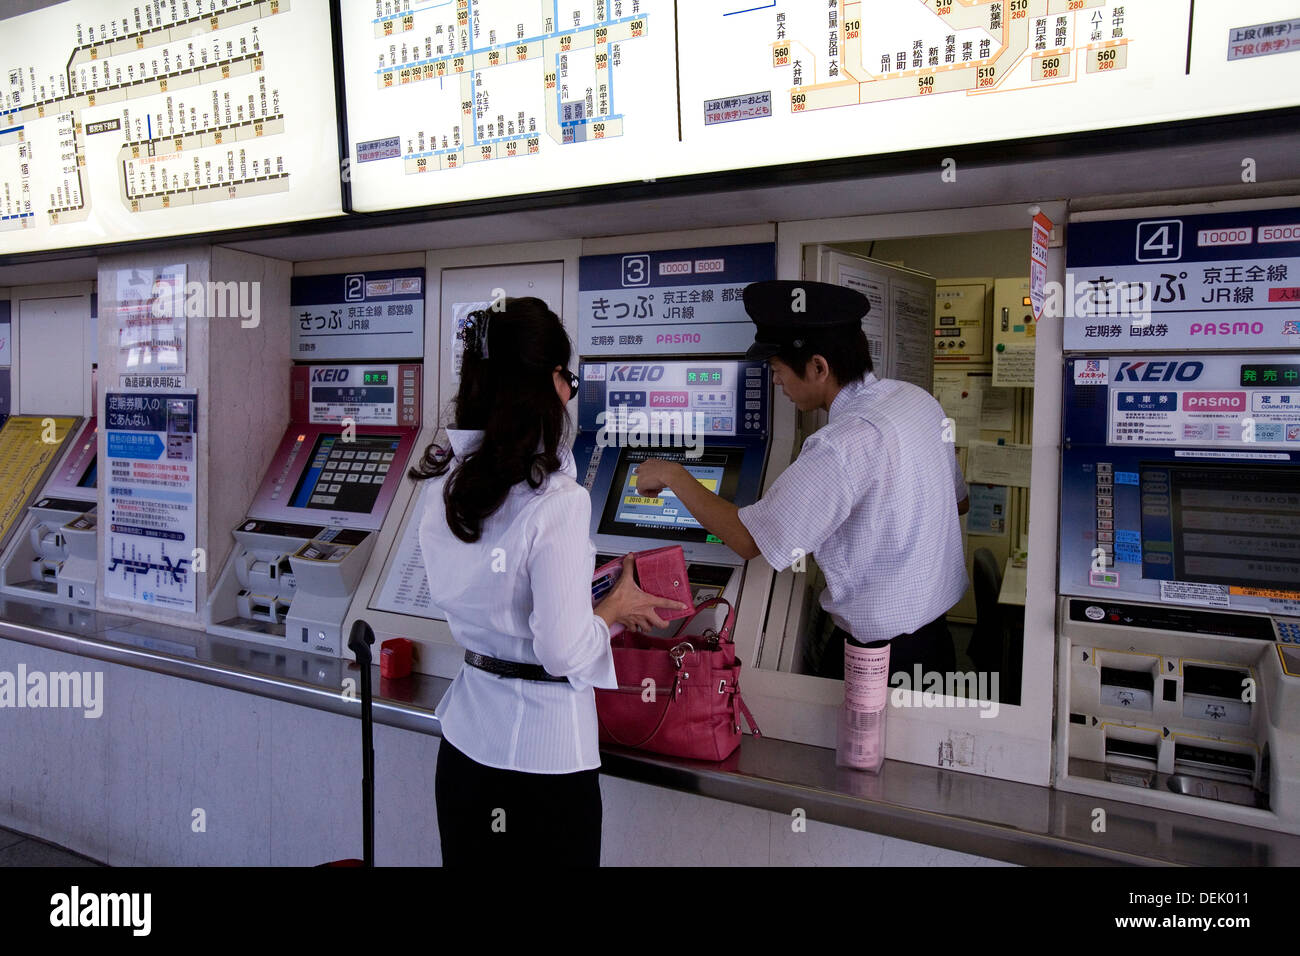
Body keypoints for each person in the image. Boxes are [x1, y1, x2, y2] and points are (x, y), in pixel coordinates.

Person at [410, 297, 683, 867]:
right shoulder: (558, 502)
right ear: (540, 387)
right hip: (545, 767)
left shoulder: (443, 487)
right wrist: (612, 610)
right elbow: (561, 650)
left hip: (464, 750)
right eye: (565, 377)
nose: (568, 393)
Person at [634, 279, 969, 682]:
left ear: (818, 367)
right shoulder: (918, 401)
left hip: (880, 661)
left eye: (777, 370)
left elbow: (748, 540)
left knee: (853, 747)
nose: (776, 383)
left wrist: (673, 474)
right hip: (936, 642)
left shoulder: (839, 446)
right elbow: (957, 501)